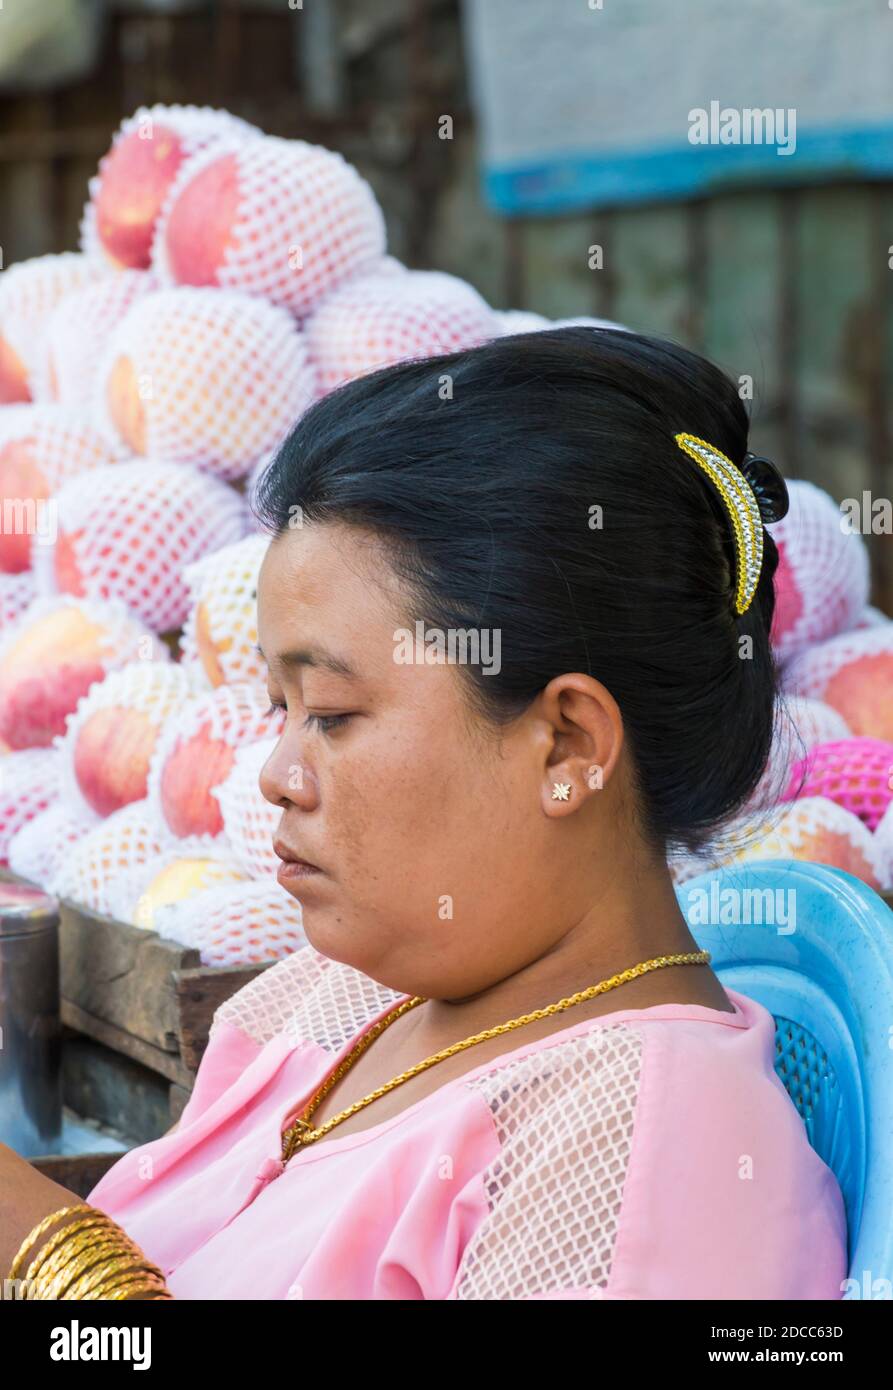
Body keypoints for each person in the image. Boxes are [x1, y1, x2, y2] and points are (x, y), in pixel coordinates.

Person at [1, 327, 847, 1300]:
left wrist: (49, 1255)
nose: (274, 773)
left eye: (331, 714)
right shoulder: (333, 998)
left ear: (567, 743)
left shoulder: (661, 1143)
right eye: (282, 709)